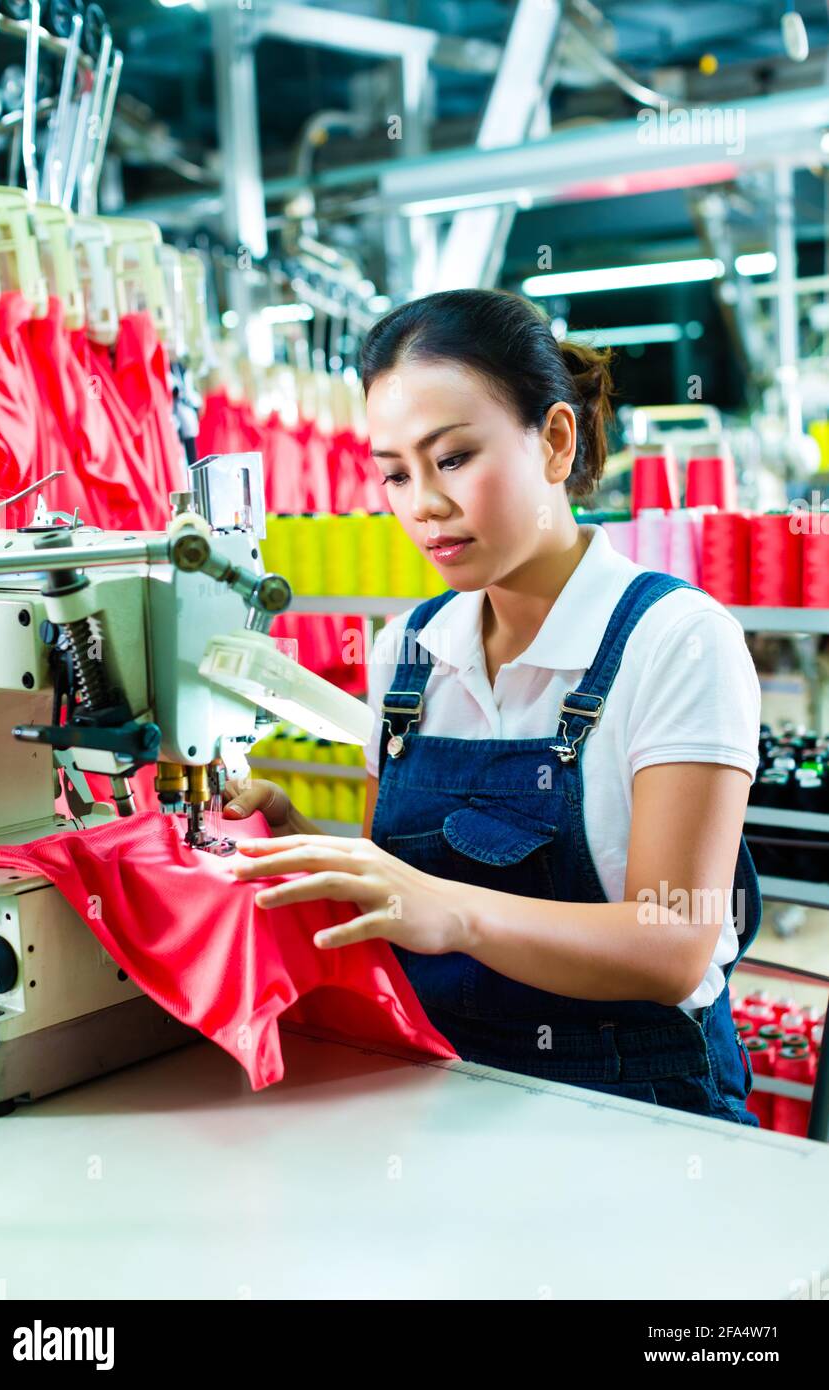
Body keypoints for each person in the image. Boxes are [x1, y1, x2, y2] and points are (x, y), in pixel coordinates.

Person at [224, 288, 762, 1126]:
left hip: (632, 1104)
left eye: (453, 458)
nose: (423, 505)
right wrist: (305, 843)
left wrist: (458, 915)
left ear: (553, 440)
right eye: (395, 474)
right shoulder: (408, 645)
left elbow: (673, 943)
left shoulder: (678, 641)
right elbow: (410, 889)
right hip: (440, 1081)